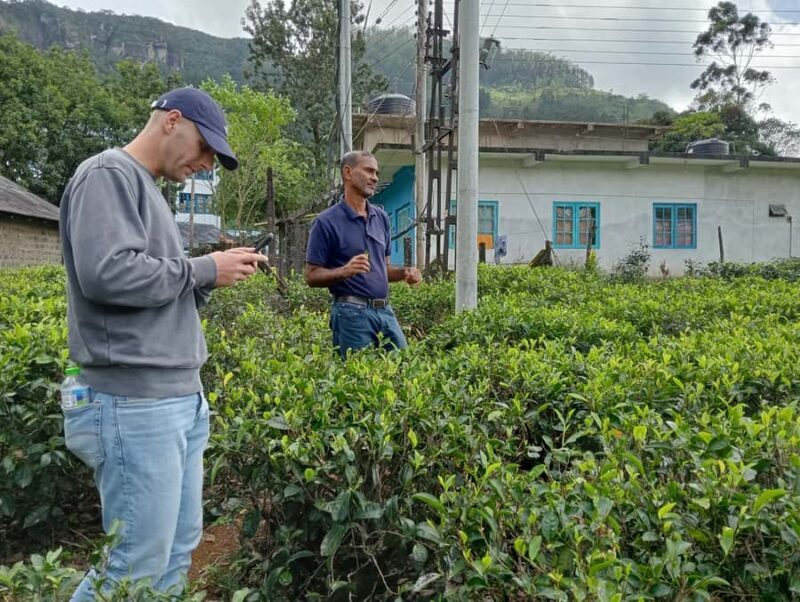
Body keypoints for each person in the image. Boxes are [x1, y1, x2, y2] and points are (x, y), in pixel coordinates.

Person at [59, 87, 266, 599]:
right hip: (135, 403)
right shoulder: (108, 175)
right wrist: (202, 269)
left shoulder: (148, 189)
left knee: (176, 549)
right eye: (204, 148)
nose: (205, 163)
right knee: (134, 562)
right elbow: (106, 274)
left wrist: (209, 278)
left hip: (175, 399)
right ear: (172, 121)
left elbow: (156, 286)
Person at [305, 150, 421, 358]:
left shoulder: (381, 217)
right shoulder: (326, 221)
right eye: (368, 170)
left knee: (403, 368)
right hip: (351, 312)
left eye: (376, 172)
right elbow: (311, 276)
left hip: (385, 311)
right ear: (347, 173)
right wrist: (345, 271)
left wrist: (405, 273)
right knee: (357, 381)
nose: (375, 177)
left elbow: (384, 269)